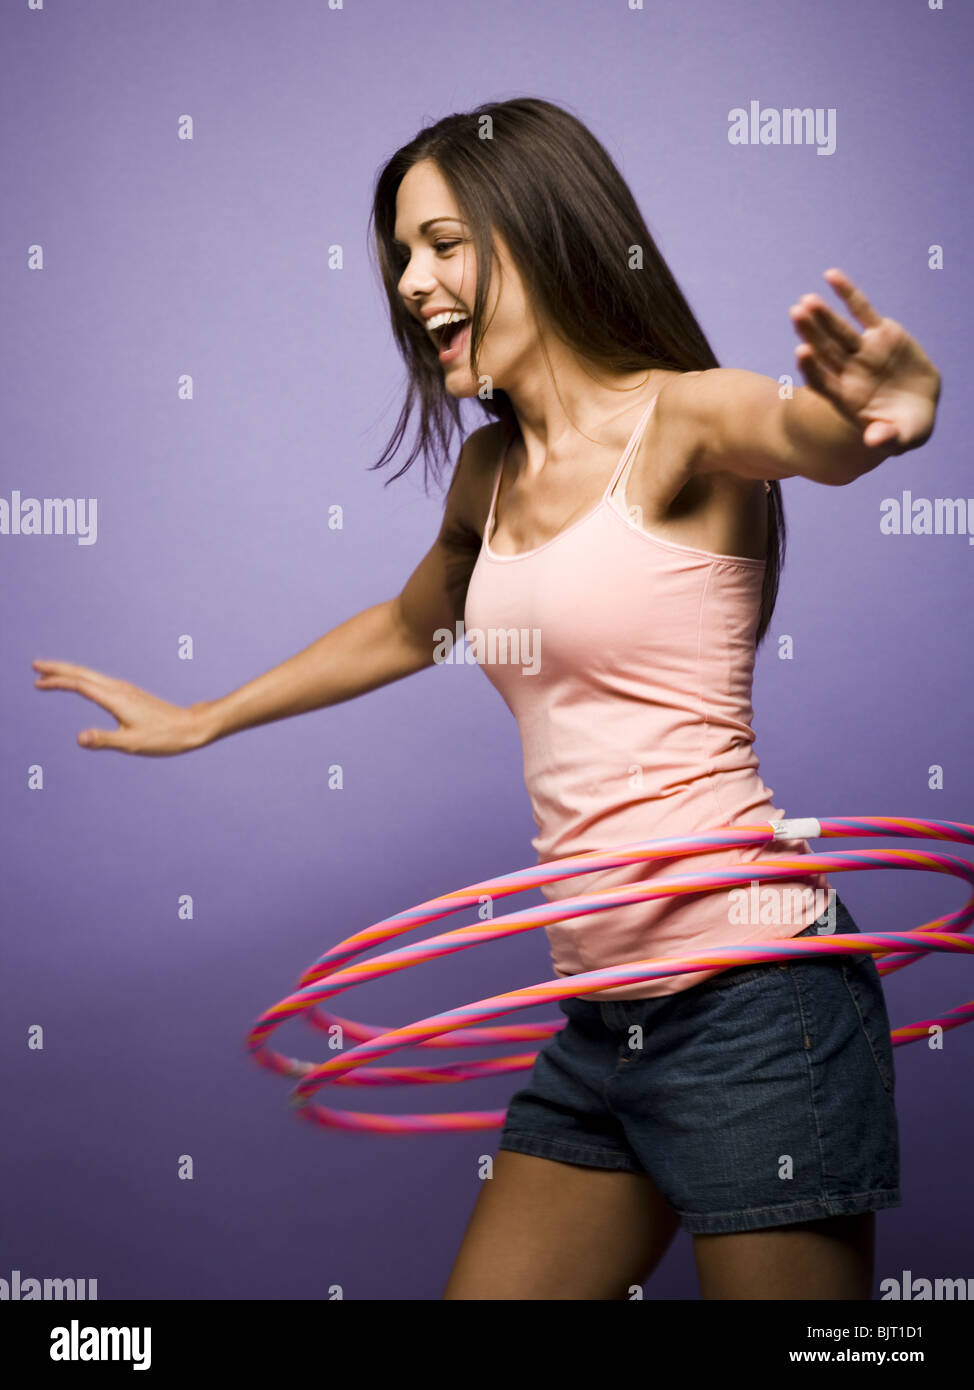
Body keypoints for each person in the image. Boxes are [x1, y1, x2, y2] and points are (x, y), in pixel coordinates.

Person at [33, 98, 941, 1301]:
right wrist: (205, 717)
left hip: (756, 1005)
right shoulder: (488, 470)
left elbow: (805, 432)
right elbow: (413, 624)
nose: (411, 282)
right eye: (401, 255)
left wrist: (876, 418)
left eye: (443, 244)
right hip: (598, 1019)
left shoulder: (680, 418)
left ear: (546, 232)